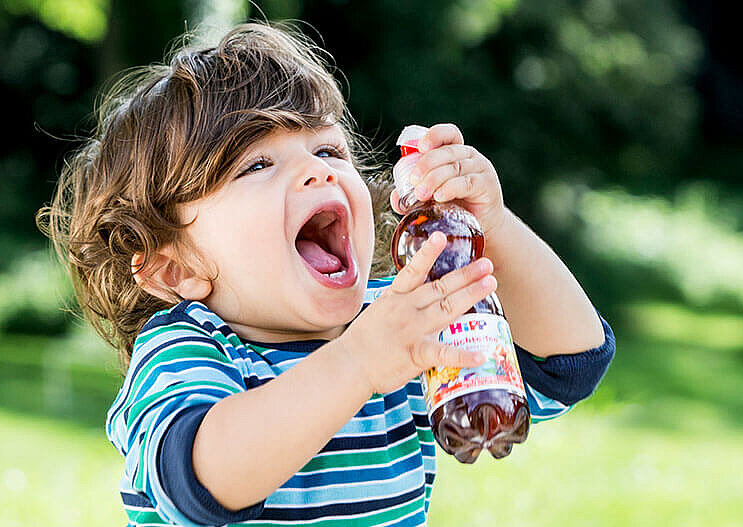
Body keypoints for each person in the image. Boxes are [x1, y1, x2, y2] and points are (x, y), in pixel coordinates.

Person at [40, 21, 614, 527]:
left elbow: (570, 364)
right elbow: (202, 480)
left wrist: (495, 224)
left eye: (329, 151)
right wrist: (359, 362)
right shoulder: (187, 349)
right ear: (174, 269)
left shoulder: (394, 326)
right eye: (257, 164)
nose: (317, 172)